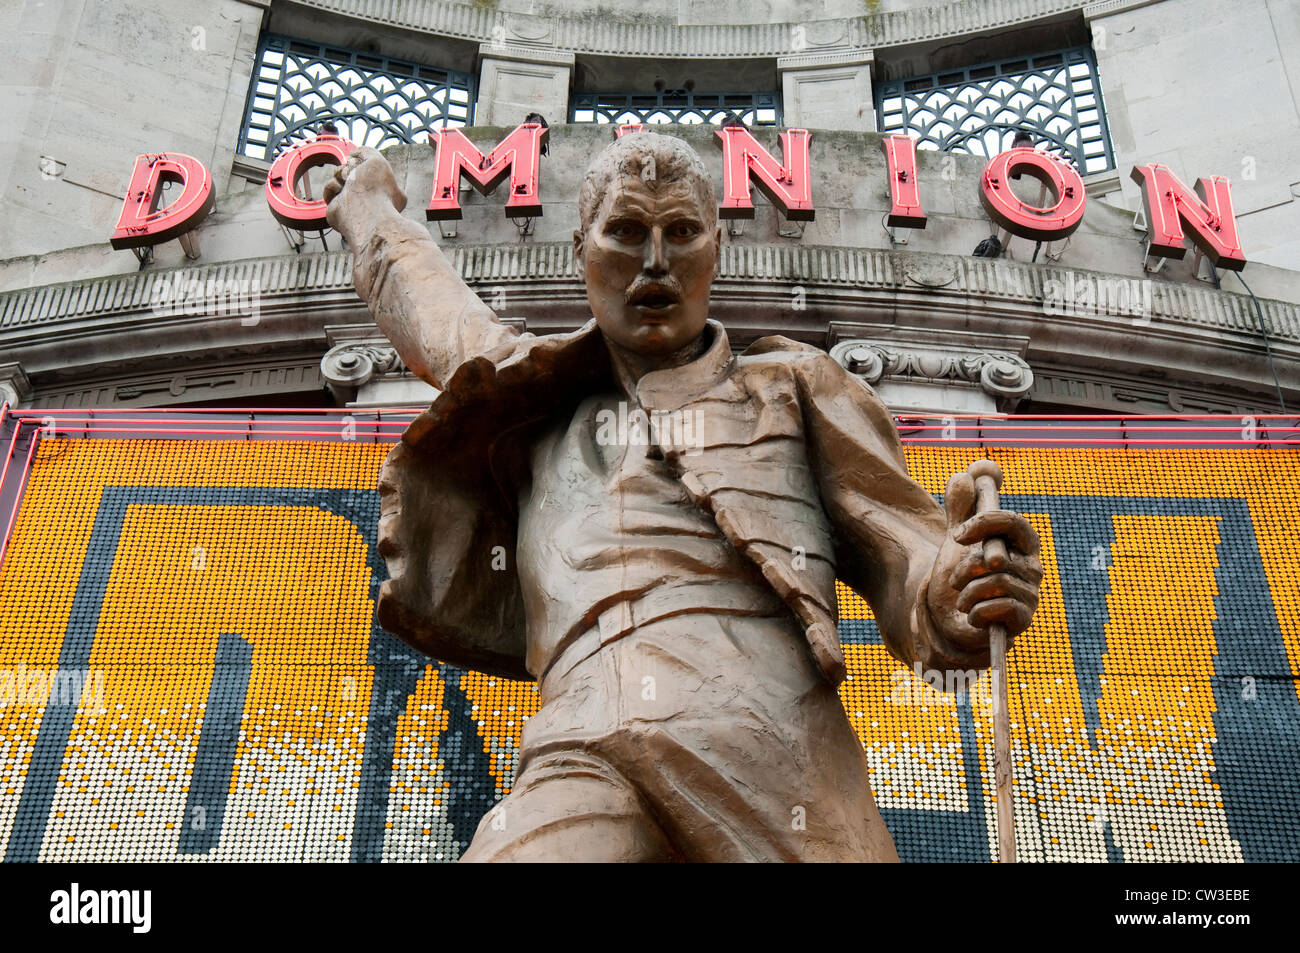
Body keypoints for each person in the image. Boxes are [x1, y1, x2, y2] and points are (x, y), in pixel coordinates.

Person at [324, 131, 1042, 862]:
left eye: (682, 233)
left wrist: (956, 582)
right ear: (581, 250)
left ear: (716, 250)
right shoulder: (529, 399)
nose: (655, 262)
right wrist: (369, 207)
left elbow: (904, 546)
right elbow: (426, 302)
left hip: (772, 745)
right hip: (581, 739)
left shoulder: (793, 386)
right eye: (627, 232)